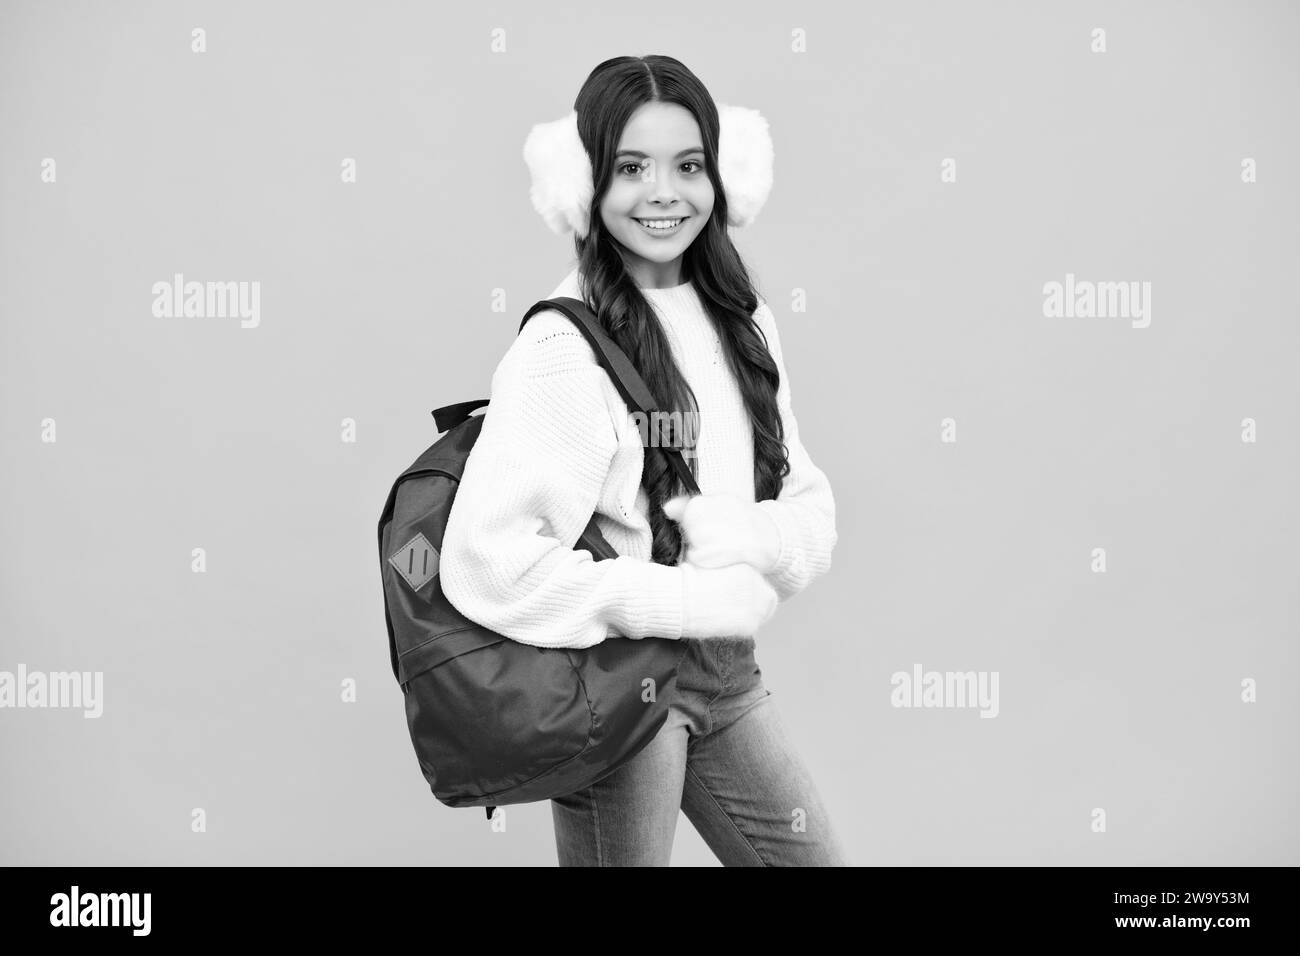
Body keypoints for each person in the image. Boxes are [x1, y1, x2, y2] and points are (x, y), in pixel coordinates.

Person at [440, 54, 848, 866]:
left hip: (727, 674)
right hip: (619, 691)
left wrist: (754, 547)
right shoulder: (562, 349)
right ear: (585, 183)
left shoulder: (745, 324)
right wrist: (674, 600)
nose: (664, 193)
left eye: (687, 165)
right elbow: (485, 563)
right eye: (631, 167)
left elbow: (809, 508)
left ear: (723, 178)